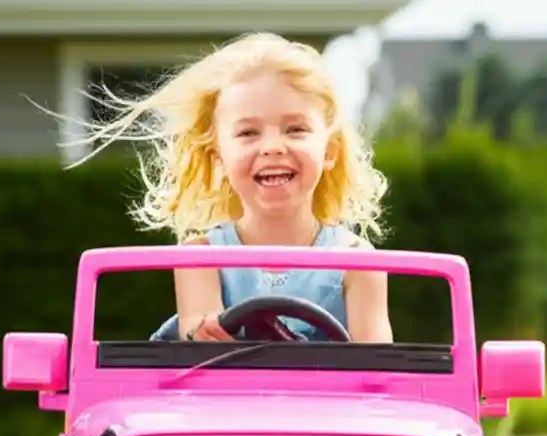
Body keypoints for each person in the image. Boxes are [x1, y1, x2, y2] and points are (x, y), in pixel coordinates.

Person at [67, 32, 393, 343]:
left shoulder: (357, 262)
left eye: (295, 129)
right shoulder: (201, 259)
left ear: (330, 152)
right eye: (248, 133)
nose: (273, 147)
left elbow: (378, 376)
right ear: (219, 157)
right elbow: (207, 366)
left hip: (331, 402)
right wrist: (203, 335)